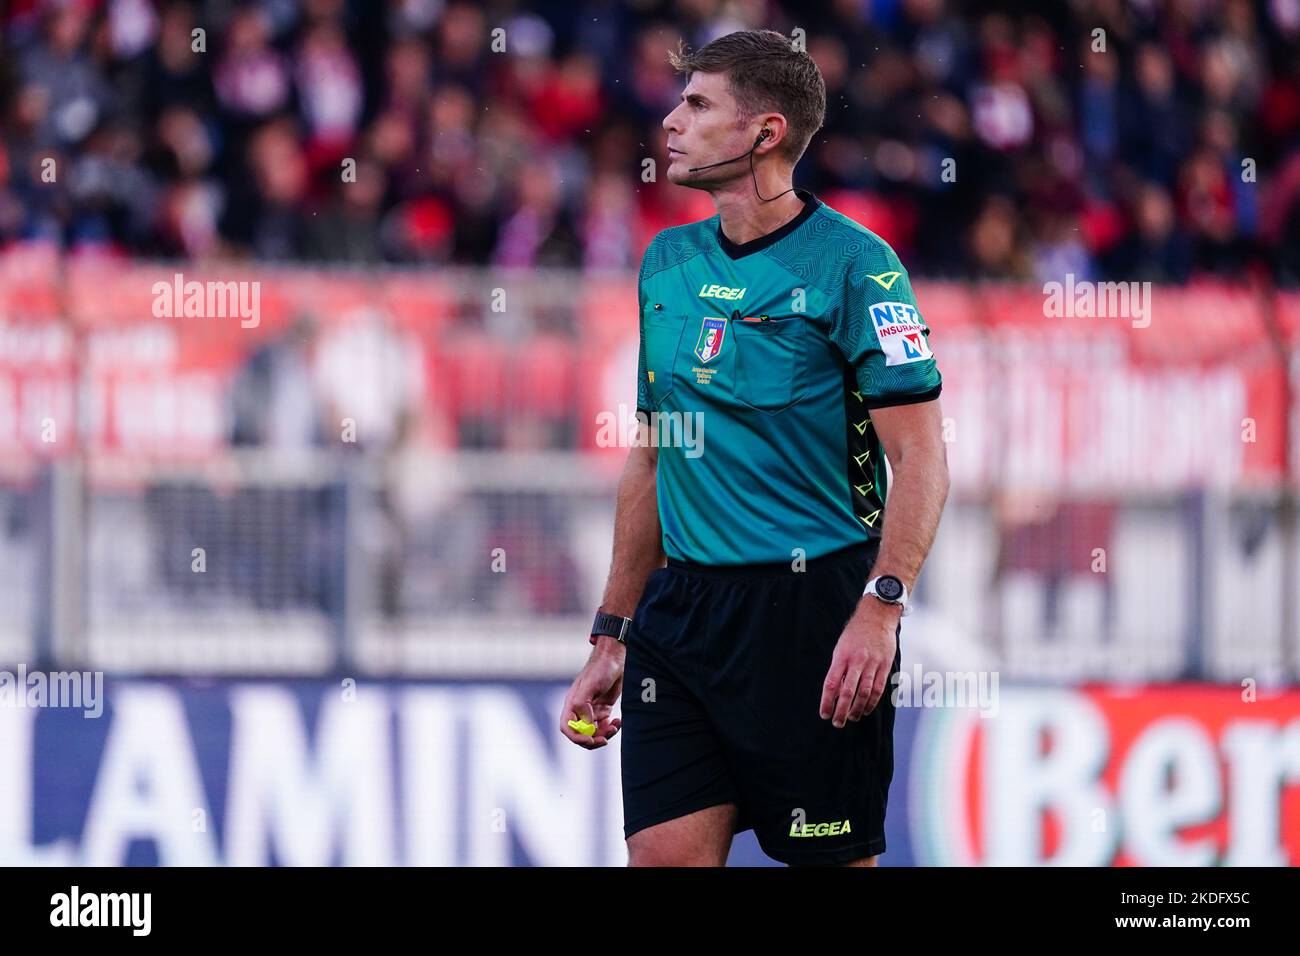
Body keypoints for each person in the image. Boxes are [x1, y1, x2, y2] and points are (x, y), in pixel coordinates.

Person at [560, 30, 950, 867]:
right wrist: (611, 633)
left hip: (813, 615)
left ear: (764, 133)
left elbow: (921, 458)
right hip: (682, 616)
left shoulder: (858, 267)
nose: (671, 121)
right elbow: (653, 455)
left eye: (698, 104)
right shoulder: (666, 262)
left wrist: (881, 609)